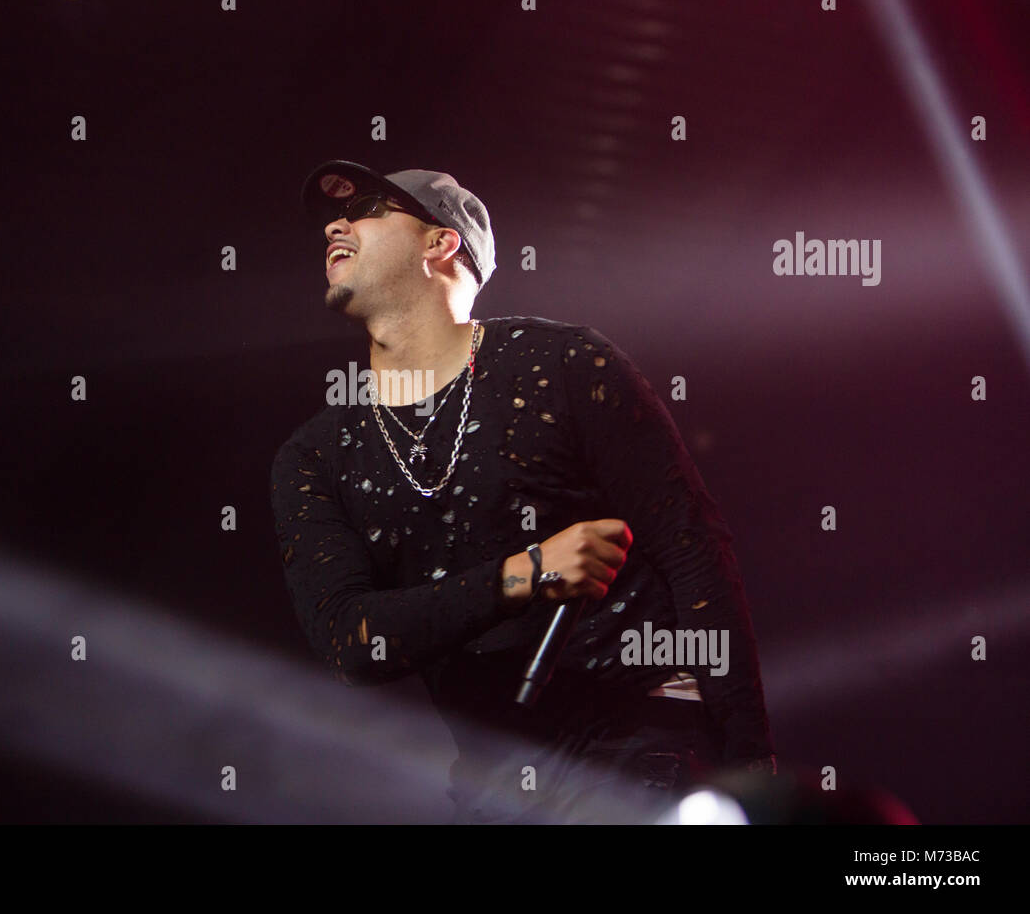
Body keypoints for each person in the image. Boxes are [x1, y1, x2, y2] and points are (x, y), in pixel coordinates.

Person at [269, 159, 776, 823]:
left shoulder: (563, 367)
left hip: (638, 737)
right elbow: (350, 641)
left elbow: (696, 555)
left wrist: (751, 774)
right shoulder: (316, 454)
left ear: (440, 242)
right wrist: (523, 576)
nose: (337, 223)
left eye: (368, 207)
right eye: (336, 217)